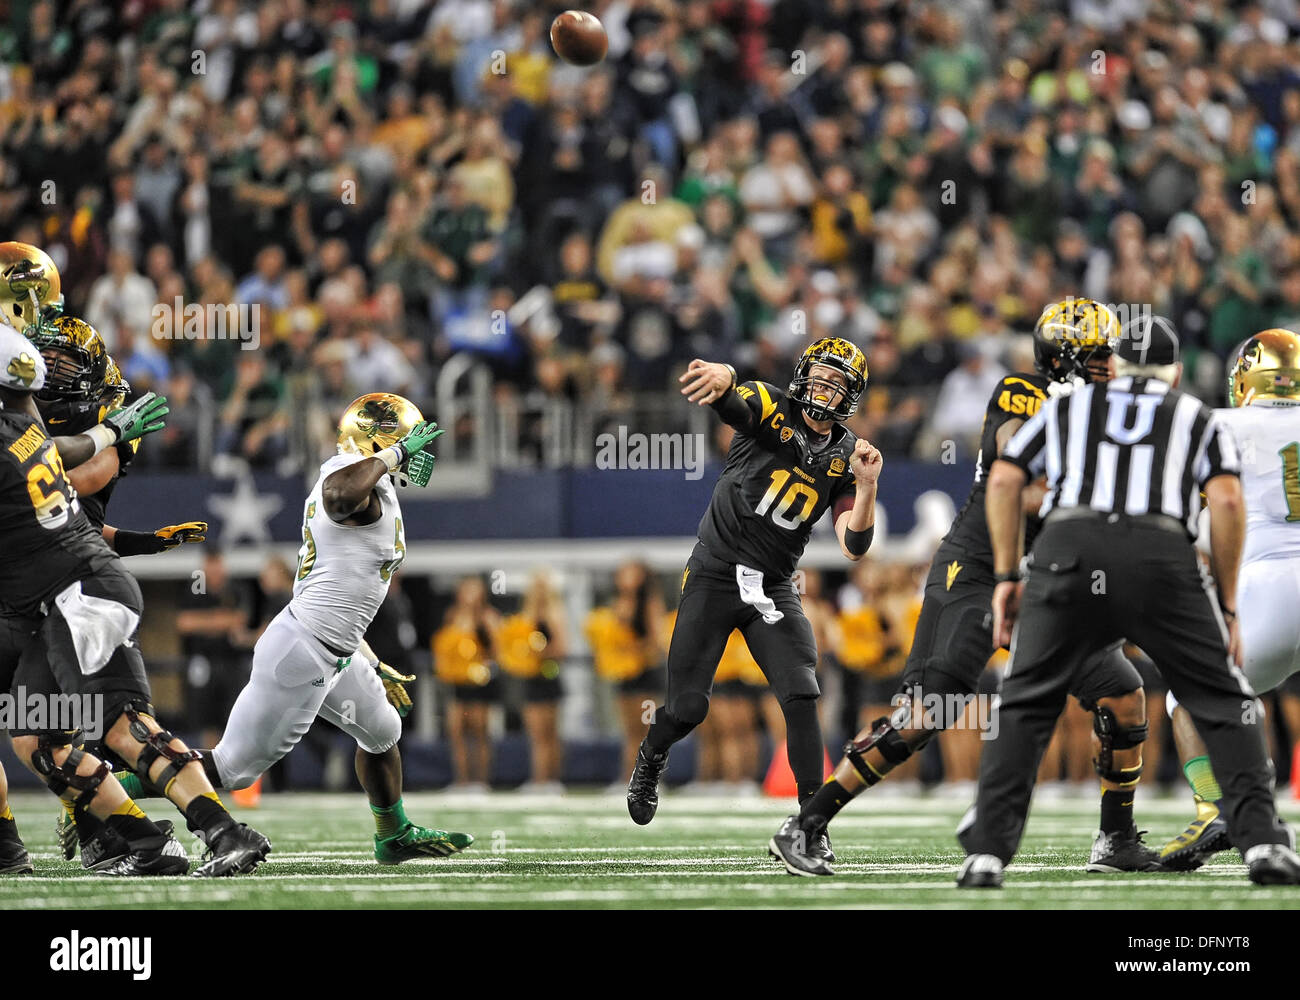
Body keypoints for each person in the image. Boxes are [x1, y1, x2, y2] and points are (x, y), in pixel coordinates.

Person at [771, 300, 1152, 876]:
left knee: (1123, 694)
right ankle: (806, 823)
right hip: (977, 571)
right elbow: (1015, 474)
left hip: (1048, 582)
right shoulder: (1026, 392)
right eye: (1097, 354)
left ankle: (1115, 838)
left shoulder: (1109, 419)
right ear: (1065, 357)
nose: (1110, 365)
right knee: (928, 713)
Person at [958, 315, 1300, 887]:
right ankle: (1263, 843)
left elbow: (1002, 479)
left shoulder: (1067, 406)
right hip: (1157, 558)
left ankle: (987, 852)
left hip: (1070, 551)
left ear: (1112, 365)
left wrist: (1005, 575)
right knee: (1219, 696)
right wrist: (1230, 604)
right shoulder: (1193, 414)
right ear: (1175, 372)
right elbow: (1227, 502)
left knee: (1025, 701)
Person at [124, 394, 473, 863]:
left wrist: (369, 658)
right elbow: (340, 497)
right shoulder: (345, 476)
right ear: (376, 442)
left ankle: (393, 834)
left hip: (336, 649)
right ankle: (102, 786)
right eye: (406, 440)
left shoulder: (372, 484)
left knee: (382, 730)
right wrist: (395, 455)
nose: (417, 451)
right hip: (303, 650)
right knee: (233, 768)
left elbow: (342, 587)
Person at [0, 321, 267, 877]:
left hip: (80, 596)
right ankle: (141, 841)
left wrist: (111, 433)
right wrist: (110, 432)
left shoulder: (17, 434)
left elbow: (77, 463)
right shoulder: (22, 429)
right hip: (60, 598)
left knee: (122, 726)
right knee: (35, 734)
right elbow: (63, 449)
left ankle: (224, 831)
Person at [627, 337, 881, 872]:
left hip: (773, 586)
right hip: (715, 574)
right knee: (690, 707)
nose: (822, 389)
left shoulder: (847, 453)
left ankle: (811, 826)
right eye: (818, 377)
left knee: (803, 693)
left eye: (836, 384)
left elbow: (855, 545)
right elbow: (737, 406)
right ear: (802, 376)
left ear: (850, 396)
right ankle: (653, 753)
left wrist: (867, 486)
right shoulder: (772, 406)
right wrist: (723, 382)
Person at [1158, 328, 1300, 870]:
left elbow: (1194, 509)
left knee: (1190, 697)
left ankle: (1213, 808)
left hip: (1260, 585)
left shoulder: (1221, 422)